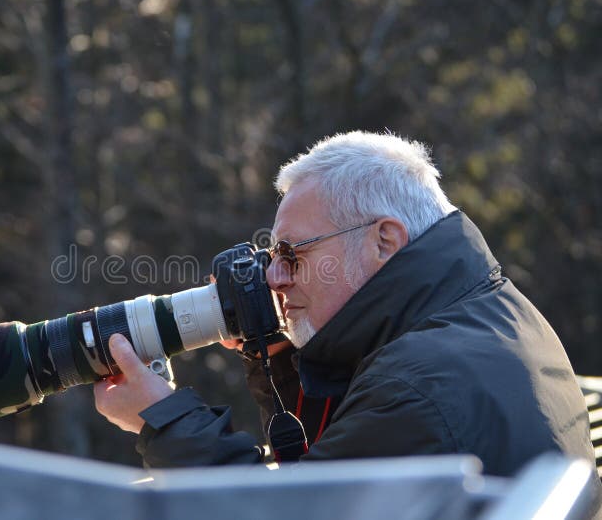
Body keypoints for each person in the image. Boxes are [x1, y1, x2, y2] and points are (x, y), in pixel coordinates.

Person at [93, 131, 598, 482]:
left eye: (292, 253)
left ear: (384, 241)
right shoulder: (482, 315)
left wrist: (164, 419)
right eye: (273, 256)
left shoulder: (417, 389)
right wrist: (278, 358)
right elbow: (331, 471)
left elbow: (279, 514)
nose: (274, 277)